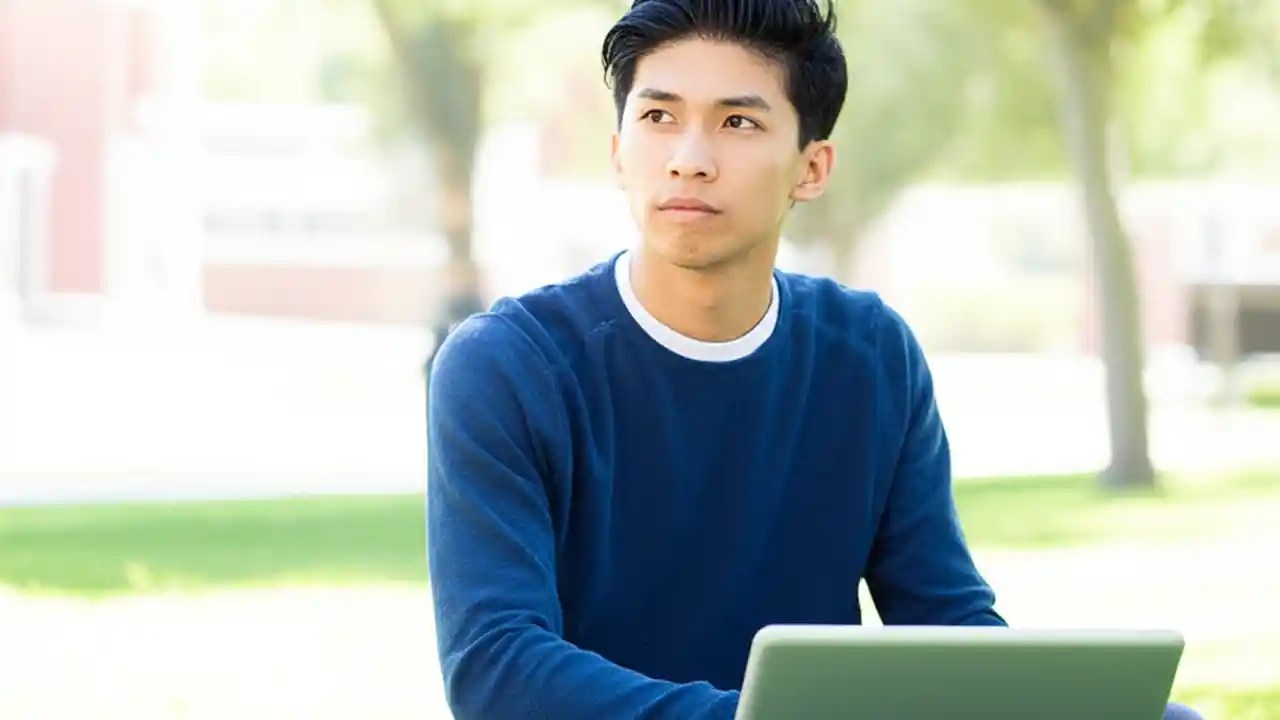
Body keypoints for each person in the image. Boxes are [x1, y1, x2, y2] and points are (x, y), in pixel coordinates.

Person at [426, 1, 1202, 718]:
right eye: (658, 116)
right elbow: (496, 669)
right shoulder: (508, 367)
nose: (689, 159)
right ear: (619, 151)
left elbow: (943, 618)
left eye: (737, 122)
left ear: (813, 168)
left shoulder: (869, 355)